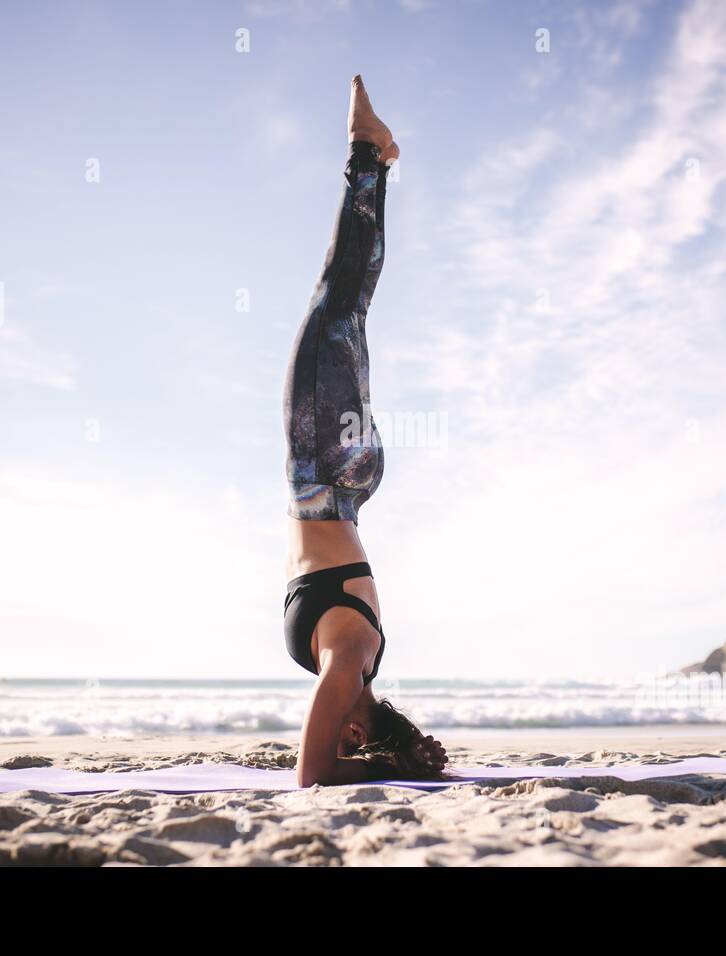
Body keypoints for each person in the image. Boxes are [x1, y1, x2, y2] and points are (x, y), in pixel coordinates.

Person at [282, 75, 448, 787]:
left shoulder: (355, 658)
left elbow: (322, 763)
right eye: (350, 743)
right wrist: (365, 773)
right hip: (327, 471)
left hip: (342, 484)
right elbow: (310, 777)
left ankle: (373, 161)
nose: (334, 739)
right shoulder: (349, 660)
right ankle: (366, 155)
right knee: (338, 303)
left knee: (344, 310)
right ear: (358, 730)